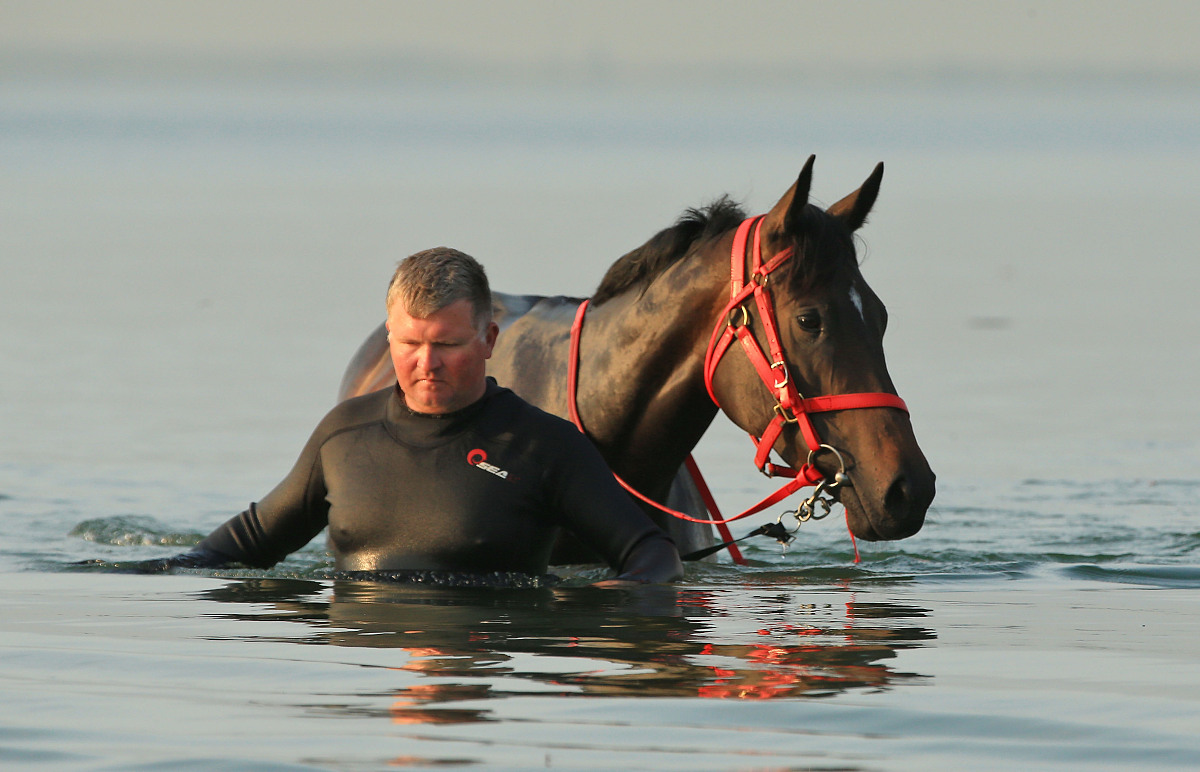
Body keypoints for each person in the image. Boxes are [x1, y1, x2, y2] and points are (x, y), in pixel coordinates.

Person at [152, 247, 683, 584]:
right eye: (409, 344)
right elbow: (243, 545)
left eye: (447, 344)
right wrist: (137, 582)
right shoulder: (344, 434)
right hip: (365, 665)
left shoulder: (543, 445)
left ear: (488, 339)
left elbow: (652, 554)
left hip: (486, 647)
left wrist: (608, 608)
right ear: (390, 337)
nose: (426, 363)